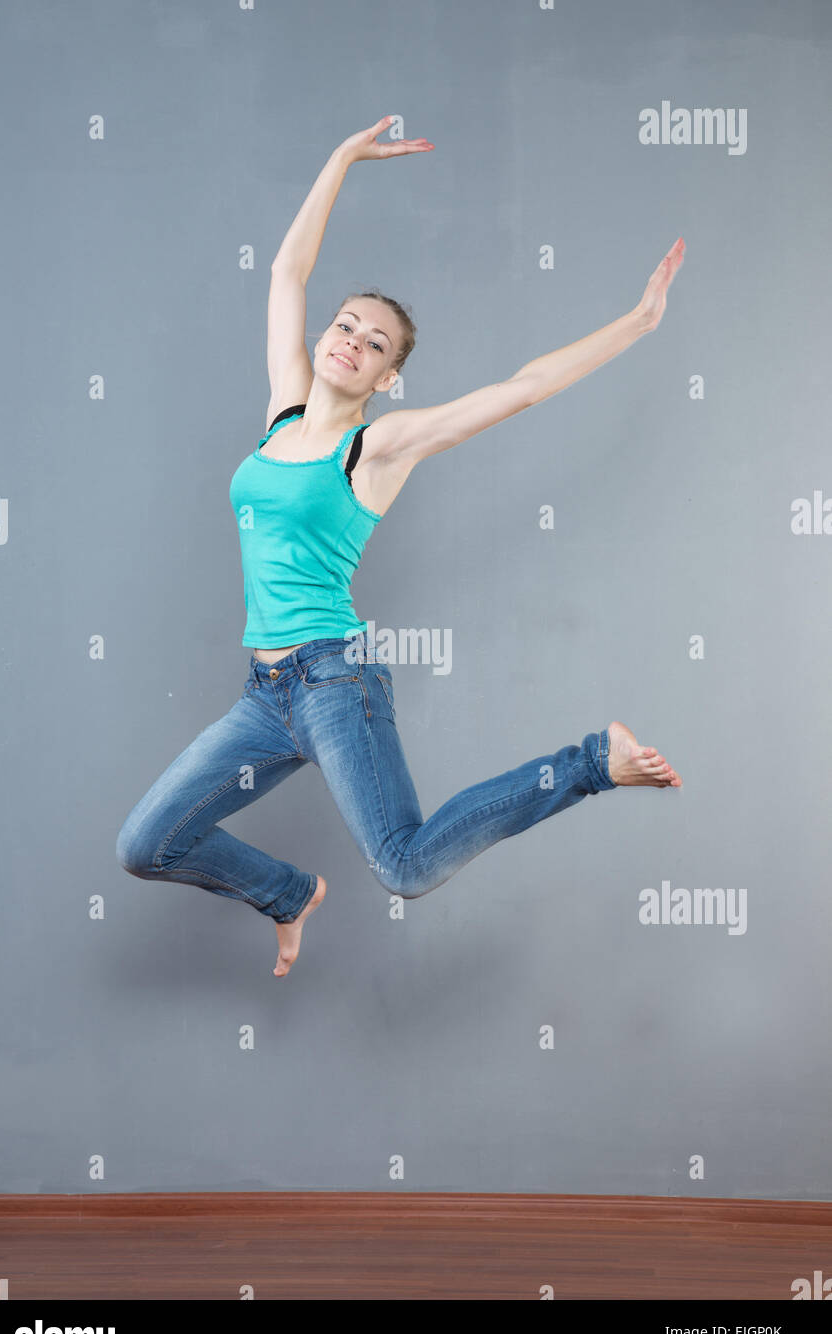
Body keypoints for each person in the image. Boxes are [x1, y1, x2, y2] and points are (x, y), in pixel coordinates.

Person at [116, 116, 684, 979]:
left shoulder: (378, 447)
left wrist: (639, 322)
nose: (349, 339)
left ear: (387, 378)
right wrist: (341, 157)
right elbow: (286, 271)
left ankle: (591, 764)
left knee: (406, 865)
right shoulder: (282, 410)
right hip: (266, 695)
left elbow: (522, 388)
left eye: (373, 343)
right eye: (345, 325)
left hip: (335, 683)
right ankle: (286, 893)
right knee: (146, 842)